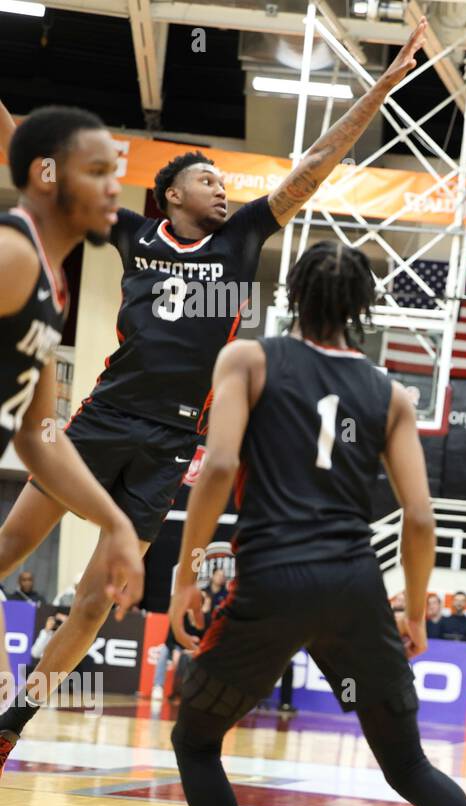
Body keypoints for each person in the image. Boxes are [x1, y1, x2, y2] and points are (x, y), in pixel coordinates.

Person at [0, 22, 428, 753]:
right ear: (170, 193)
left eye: (225, 183)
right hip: (104, 418)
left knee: (98, 601)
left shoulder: (242, 239)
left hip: (171, 442)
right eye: (208, 180)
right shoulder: (130, 232)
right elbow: (32, 159)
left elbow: (318, 164)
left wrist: (380, 90)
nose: (223, 190)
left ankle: (12, 725)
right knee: (9, 547)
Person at [164, 240, 466, 806]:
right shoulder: (391, 394)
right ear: (361, 308)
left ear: (294, 293)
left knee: (197, 743)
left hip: (272, 577)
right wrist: (417, 614)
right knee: (408, 765)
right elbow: (420, 518)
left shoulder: (247, 359)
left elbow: (219, 467)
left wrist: (187, 574)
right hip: (354, 584)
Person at [0, 106, 149, 770]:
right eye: (97, 172)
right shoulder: (11, 254)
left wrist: (114, 521)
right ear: (48, 176)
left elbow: (37, 436)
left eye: (115, 172)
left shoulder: (52, 288)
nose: (115, 186)